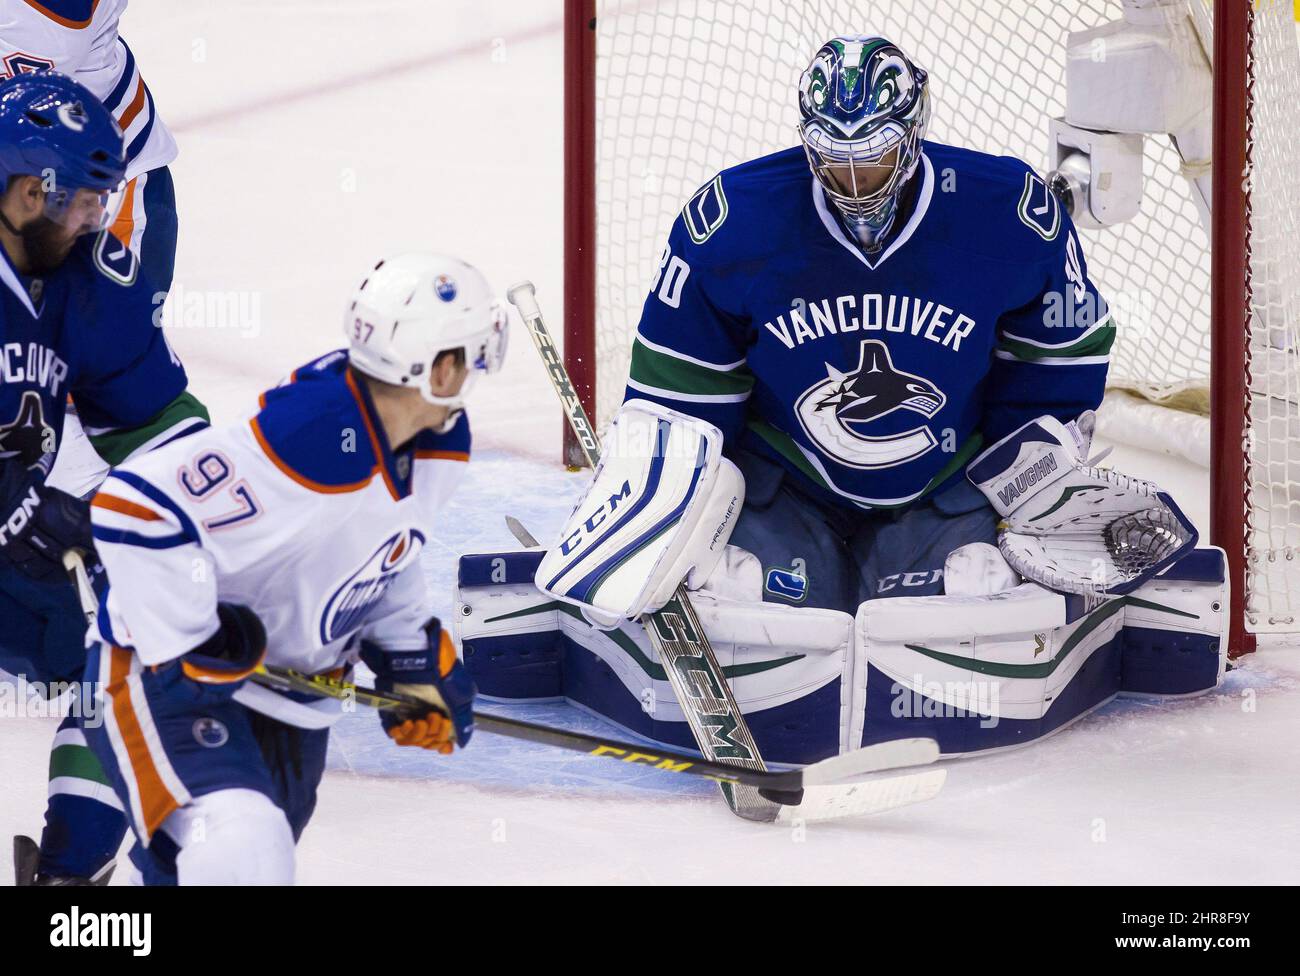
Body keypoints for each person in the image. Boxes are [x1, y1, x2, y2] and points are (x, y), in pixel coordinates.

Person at [456, 36, 1226, 764]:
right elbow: (679, 391)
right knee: (767, 617)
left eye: (874, 159)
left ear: (912, 135)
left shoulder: (1007, 212)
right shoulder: (732, 222)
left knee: (963, 595)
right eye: (833, 161)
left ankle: (963, 561)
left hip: (944, 481)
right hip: (786, 481)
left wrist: (1024, 481)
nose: (854, 181)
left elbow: (1057, 355)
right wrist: (670, 502)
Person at [82, 253, 506, 884]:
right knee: (242, 850)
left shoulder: (437, 439)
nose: (472, 373)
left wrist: (410, 661)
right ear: (439, 368)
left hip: (293, 703)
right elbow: (132, 505)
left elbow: (388, 555)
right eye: (468, 356)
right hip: (159, 680)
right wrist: (190, 640)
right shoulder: (317, 433)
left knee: (214, 865)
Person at [0, 71, 206, 885]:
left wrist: (206, 527)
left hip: (13, 559)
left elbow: (158, 426)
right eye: (85, 200)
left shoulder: (83, 280)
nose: (97, 217)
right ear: (25, 193)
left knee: (131, 641)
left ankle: (65, 884)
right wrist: (13, 504)